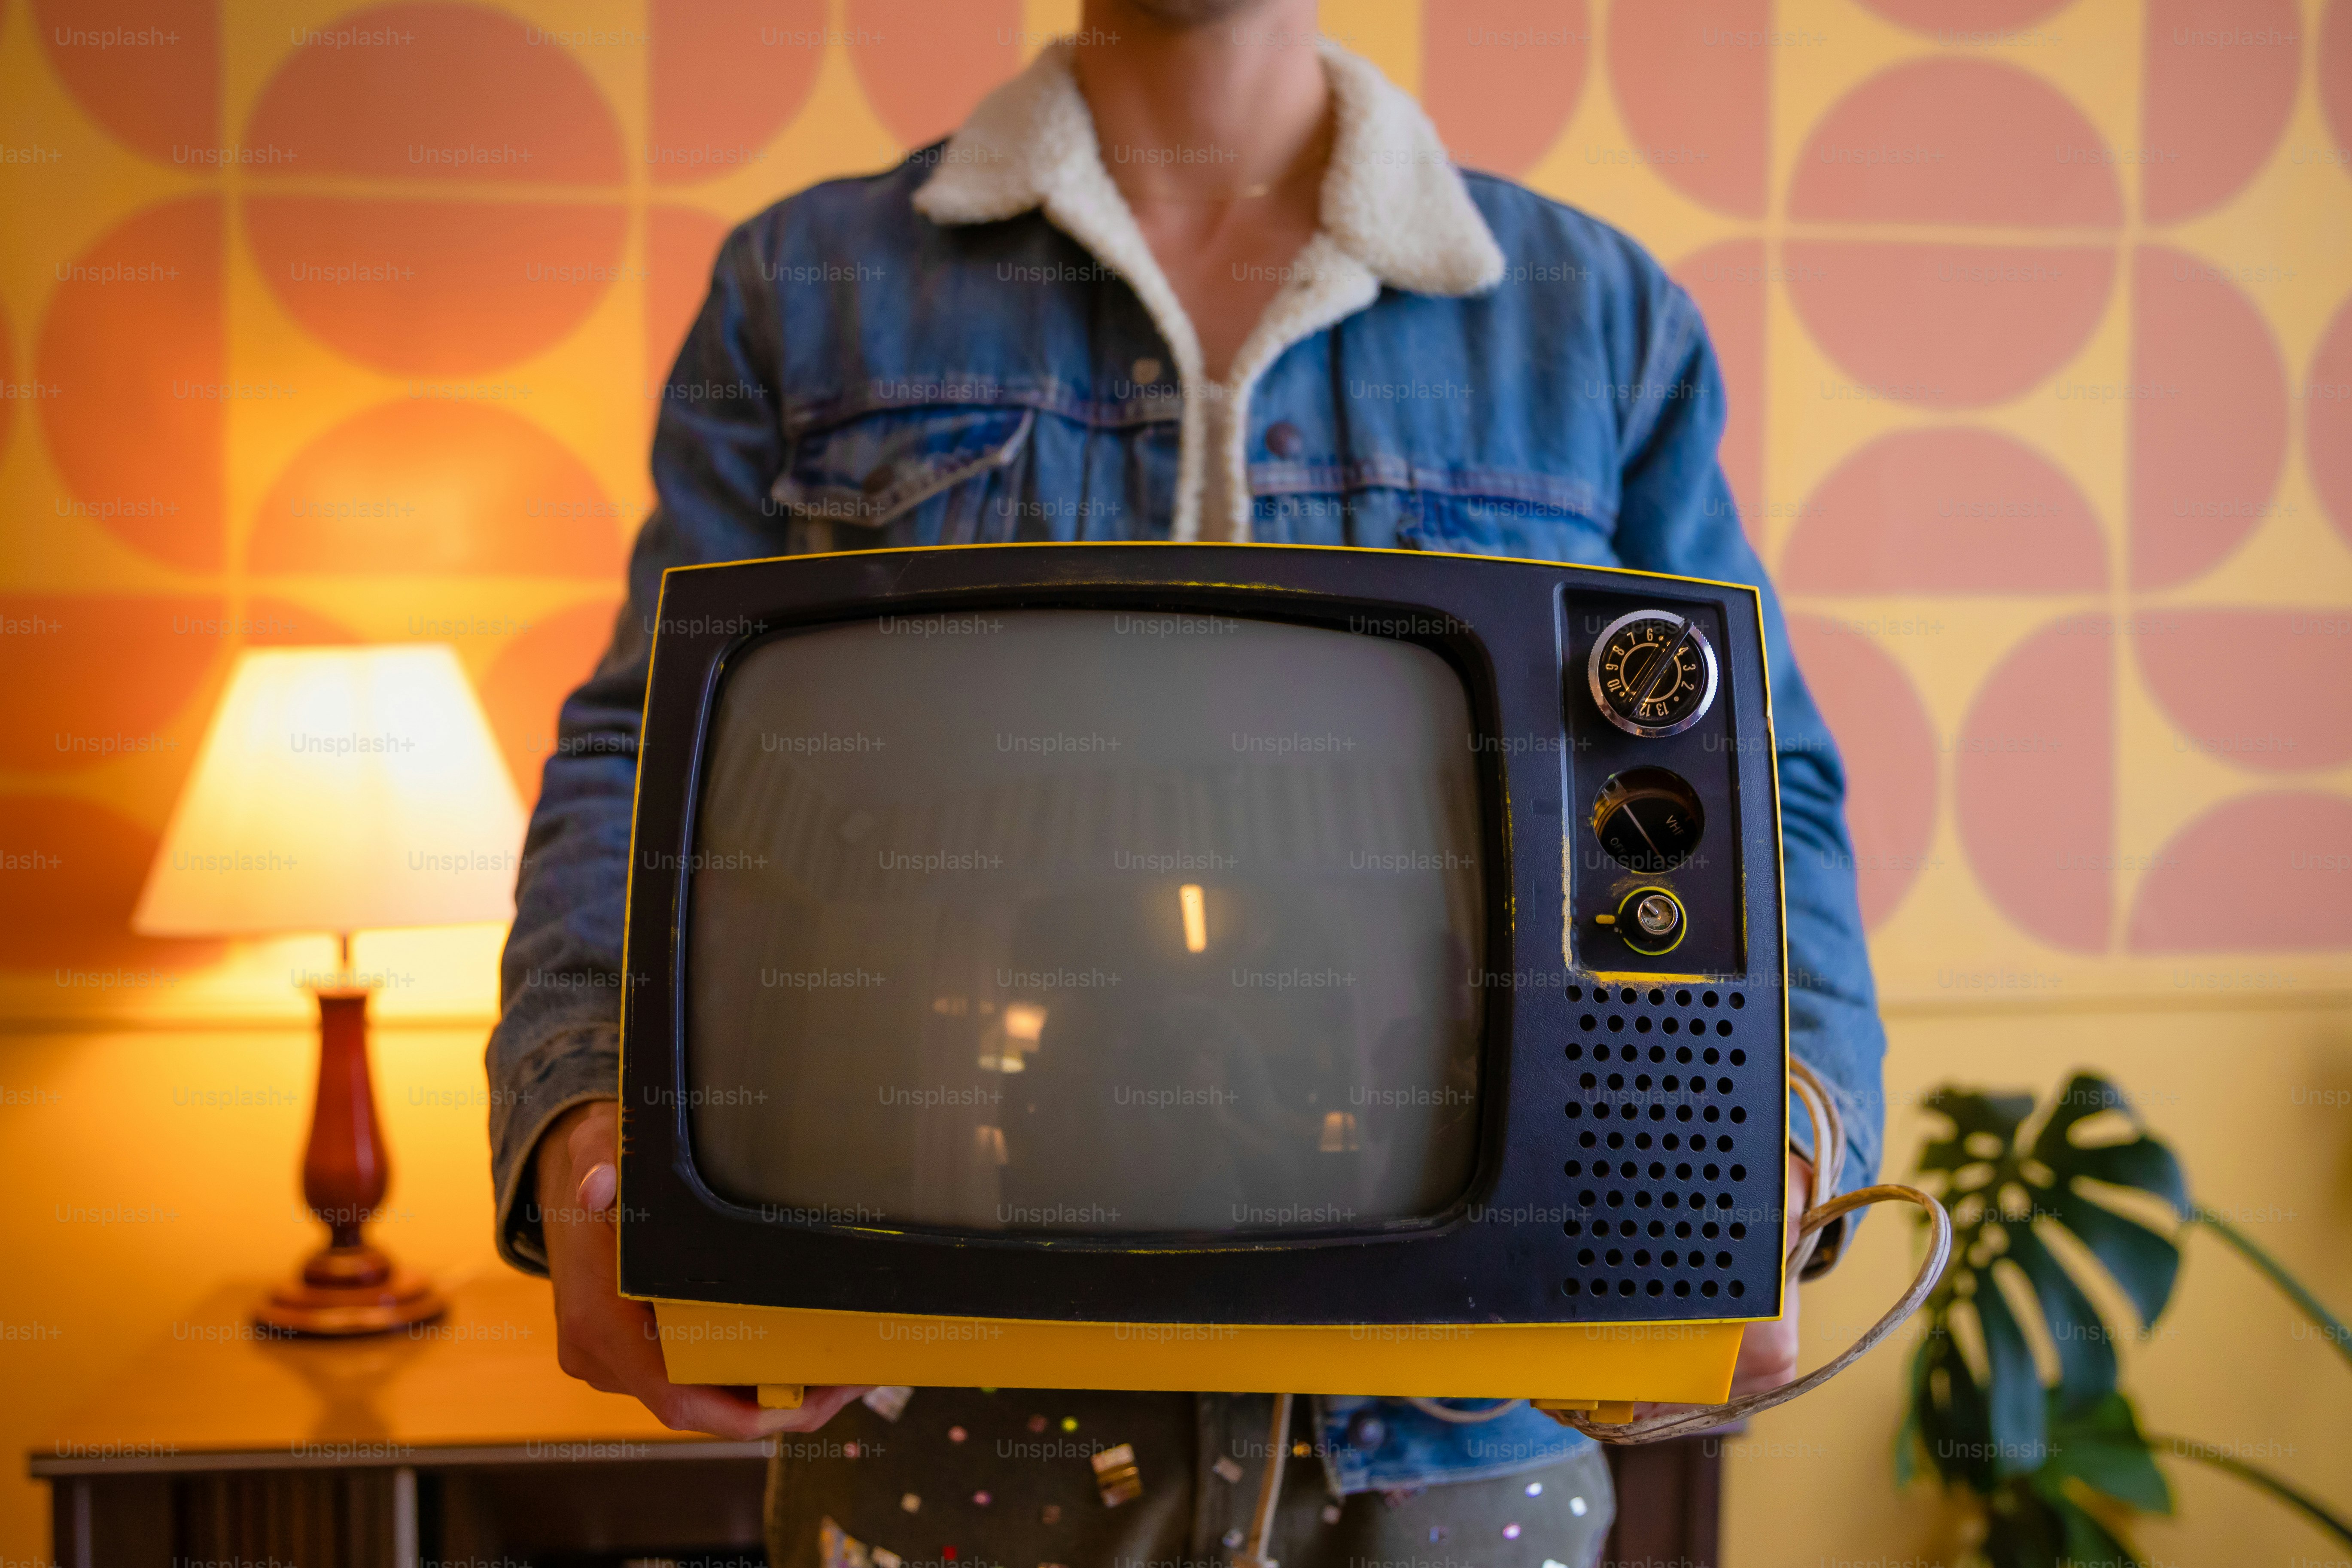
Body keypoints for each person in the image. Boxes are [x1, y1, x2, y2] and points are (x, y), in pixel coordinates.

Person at [485, 0, 1889, 1562]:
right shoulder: (803, 292)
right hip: (935, 1418)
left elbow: (1758, 788)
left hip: (1470, 1439)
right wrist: (582, 1127)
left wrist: (1779, 1152)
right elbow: (638, 747)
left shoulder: (1593, 312)